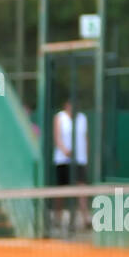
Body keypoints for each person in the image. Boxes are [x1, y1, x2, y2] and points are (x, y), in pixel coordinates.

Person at [52, 98, 74, 234]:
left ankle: (81, 219)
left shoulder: (81, 118)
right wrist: (65, 150)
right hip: (62, 160)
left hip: (77, 161)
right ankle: (57, 218)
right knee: (61, 190)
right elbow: (57, 137)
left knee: (80, 189)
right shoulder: (59, 118)